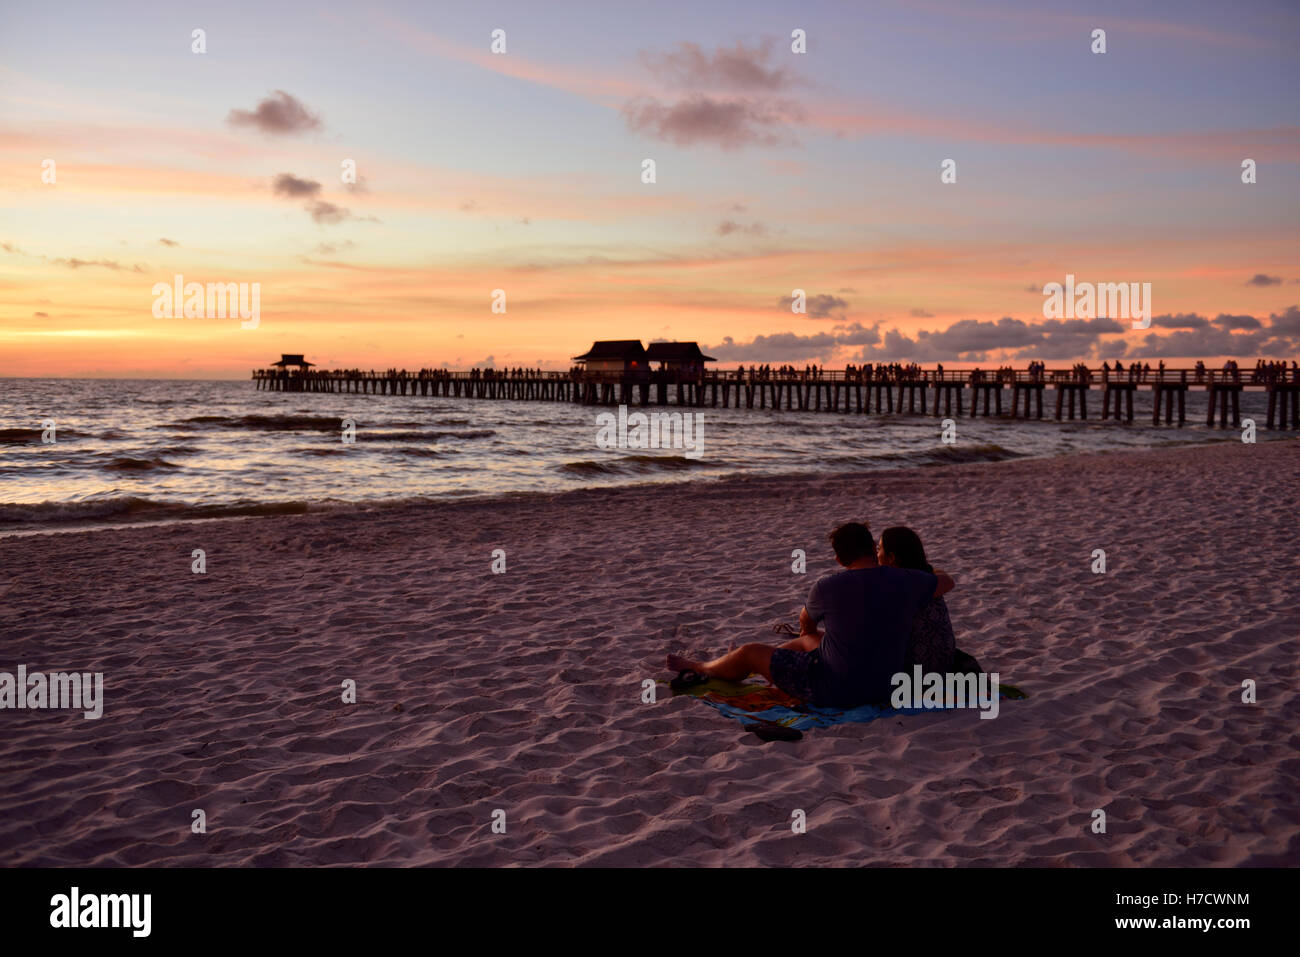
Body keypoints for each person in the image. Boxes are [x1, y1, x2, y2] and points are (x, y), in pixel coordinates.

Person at [665, 522, 954, 707]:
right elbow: (946, 582)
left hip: (837, 691)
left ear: (839, 558)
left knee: (750, 651)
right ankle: (753, 662)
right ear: (871, 549)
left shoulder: (827, 586)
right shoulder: (909, 581)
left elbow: (805, 622)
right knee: (816, 641)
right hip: (888, 687)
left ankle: (704, 667)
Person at [877, 526, 956, 674]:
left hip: (916, 672)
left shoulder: (898, 584)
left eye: (879, 549)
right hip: (945, 664)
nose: (876, 554)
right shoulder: (928, 581)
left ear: (892, 557)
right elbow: (948, 580)